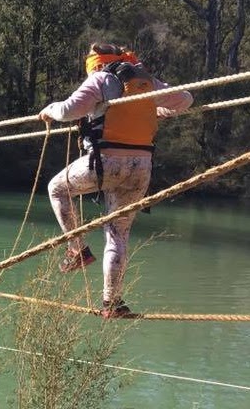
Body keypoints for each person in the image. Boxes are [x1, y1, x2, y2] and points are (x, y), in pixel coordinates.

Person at [38, 42, 193, 319]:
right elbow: (185, 100)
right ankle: (113, 303)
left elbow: (70, 110)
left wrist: (50, 109)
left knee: (57, 188)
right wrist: (154, 109)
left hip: (104, 163)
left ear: (95, 65)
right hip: (141, 168)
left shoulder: (101, 78)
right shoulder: (147, 83)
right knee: (117, 235)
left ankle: (77, 250)